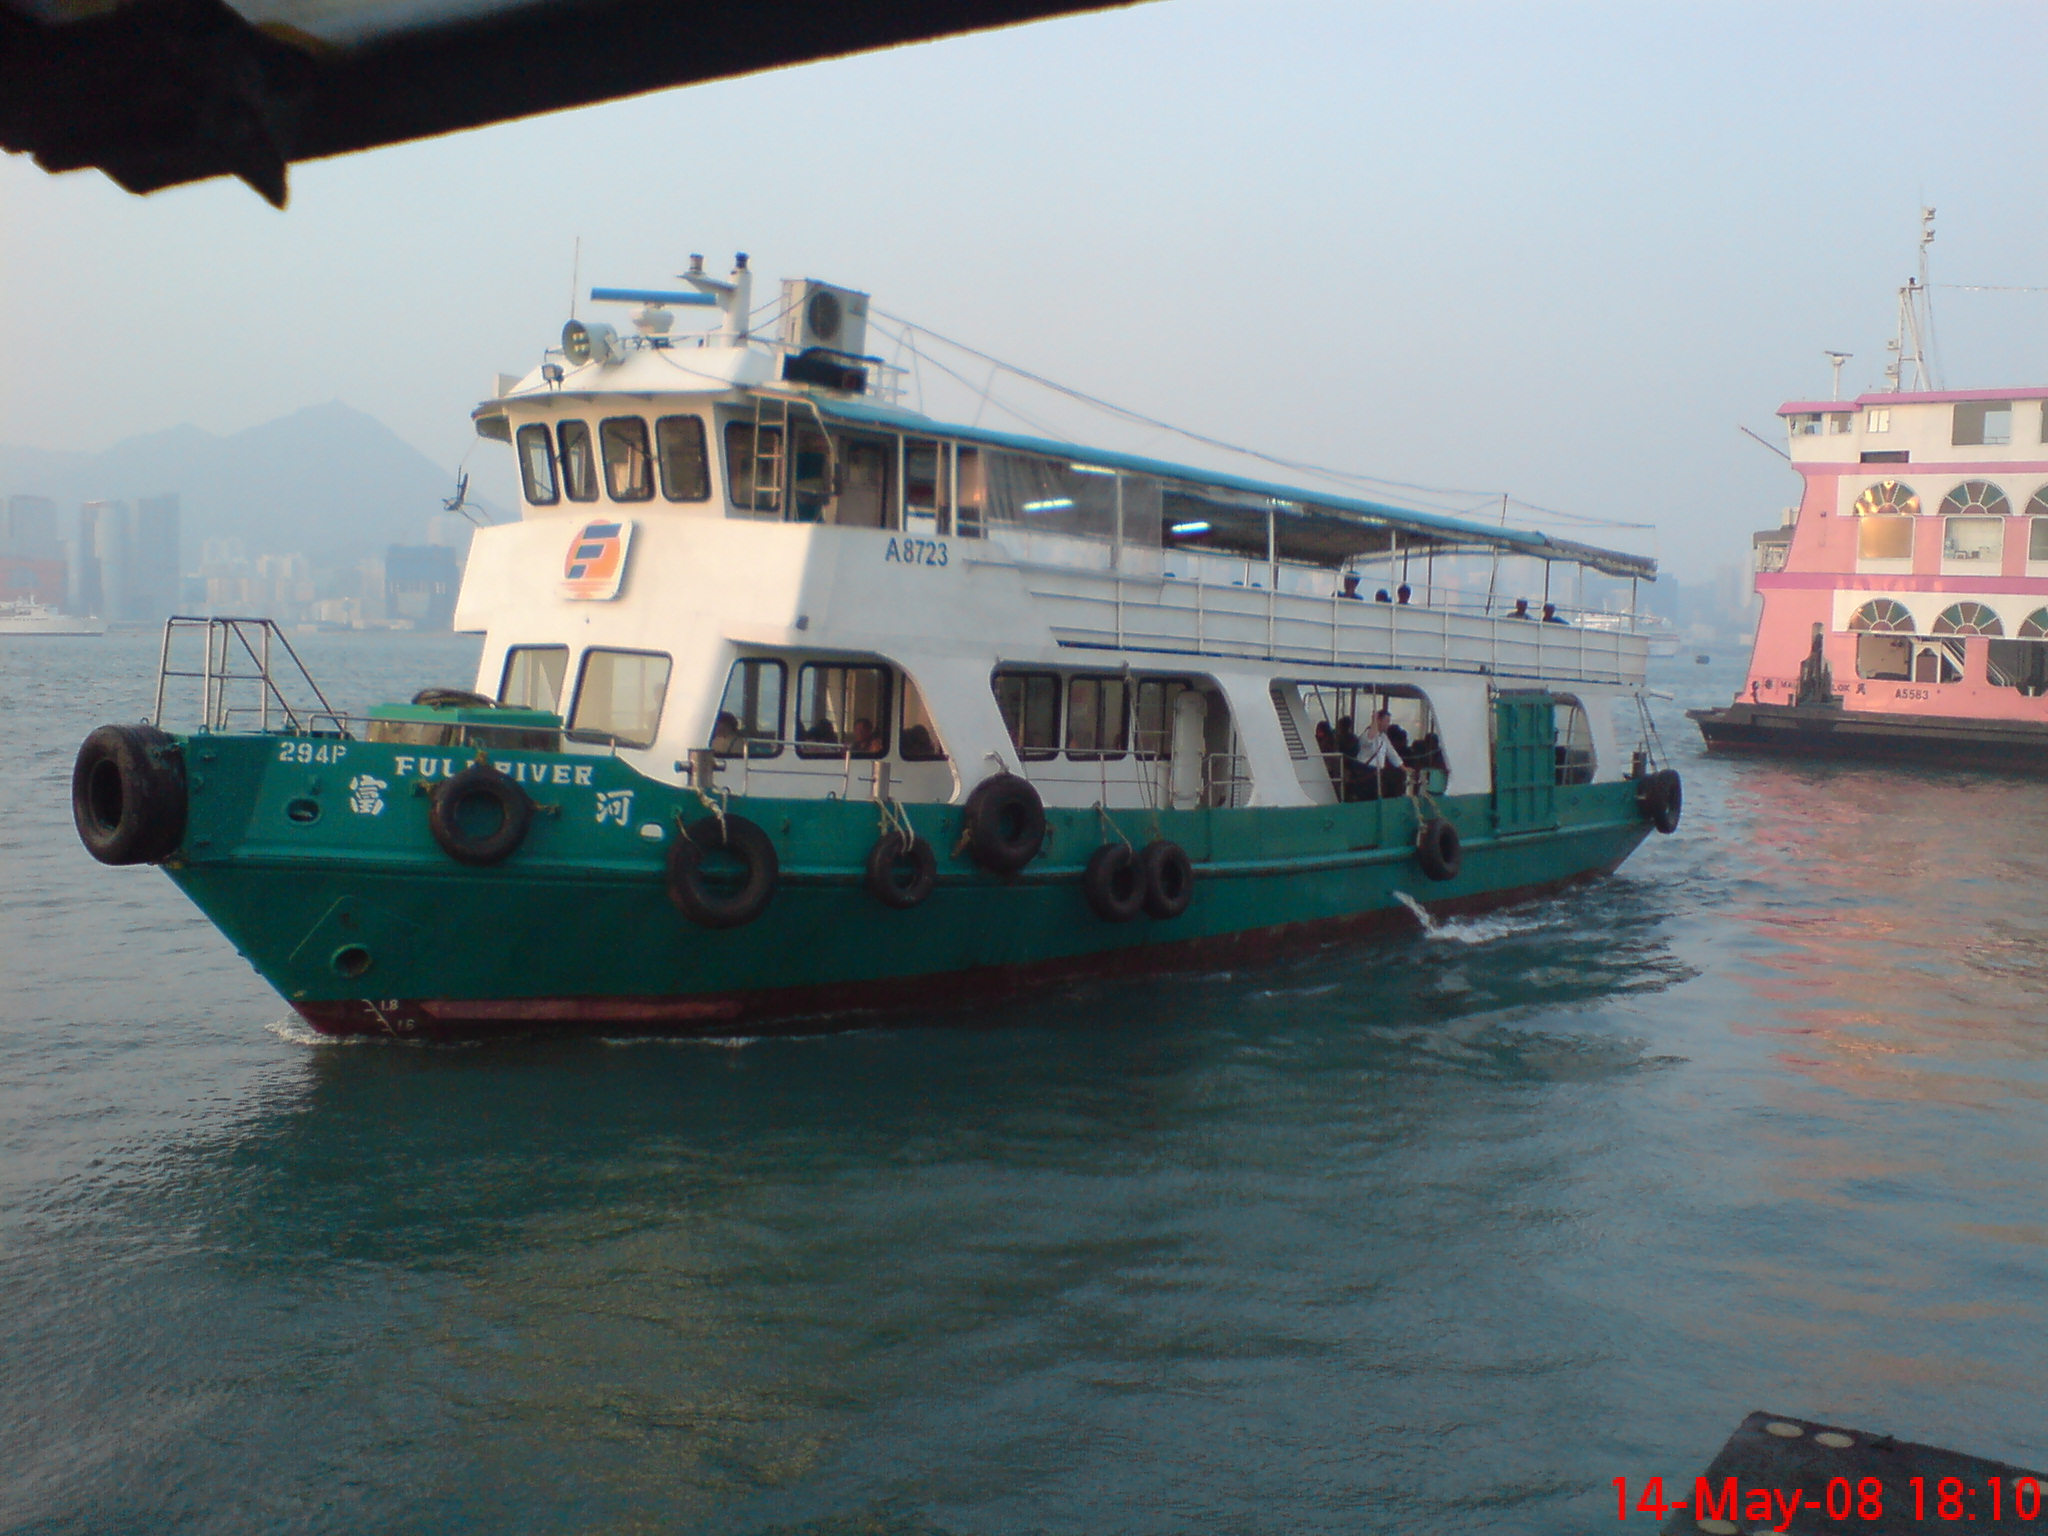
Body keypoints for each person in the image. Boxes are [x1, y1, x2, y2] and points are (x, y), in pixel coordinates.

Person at [1358, 708, 1406, 798]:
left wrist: (1404, 768)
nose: (1388, 724)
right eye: (1386, 721)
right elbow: (1369, 740)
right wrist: (1374, 721)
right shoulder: (1367, 734)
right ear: (1379, 720)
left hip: (1378, 773)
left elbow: (1393, 755)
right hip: (1366, 773)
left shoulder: (1384, 737)